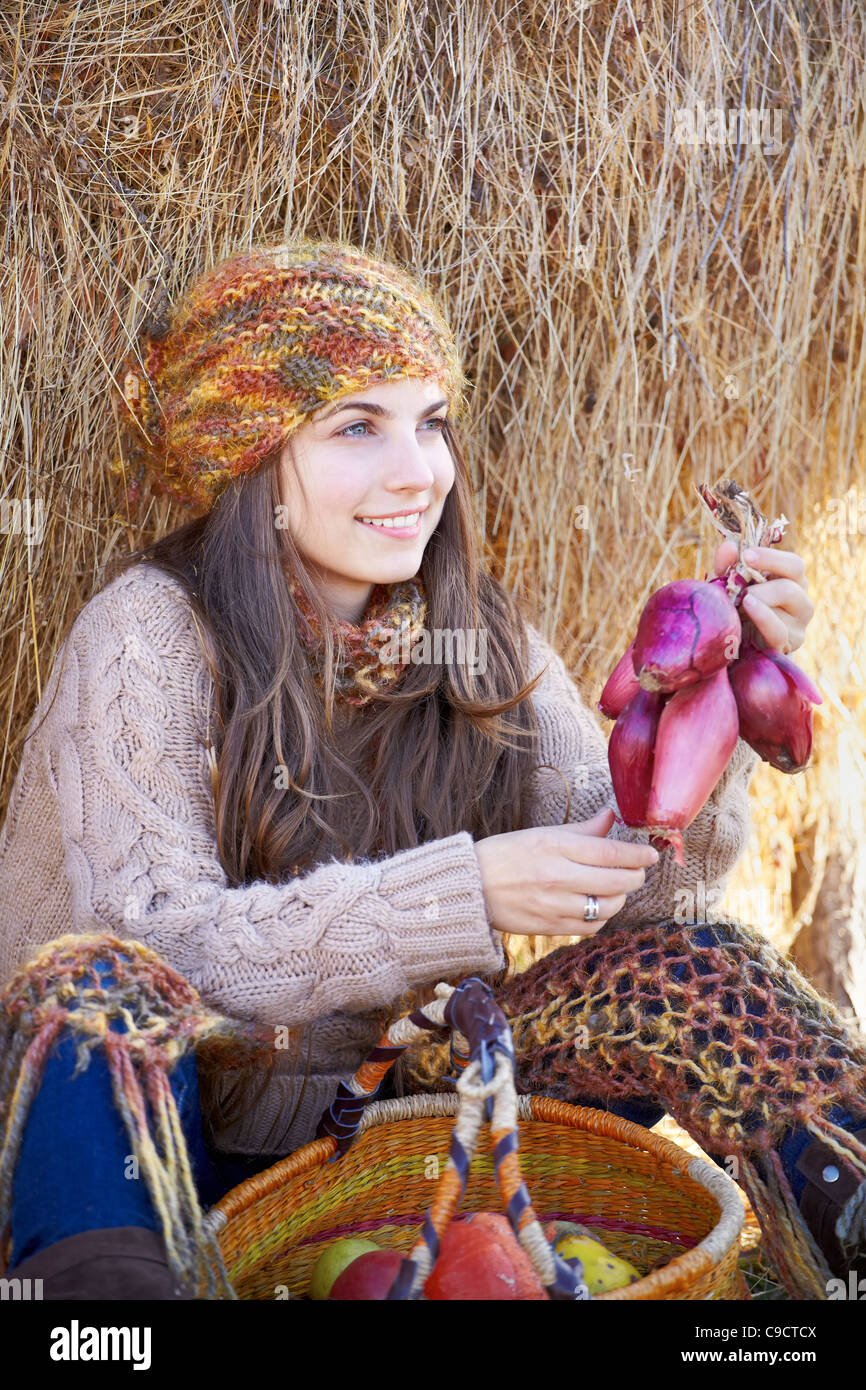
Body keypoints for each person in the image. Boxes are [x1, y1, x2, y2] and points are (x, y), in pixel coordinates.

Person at [0, 238, 863, 1301]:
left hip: (386, 1129)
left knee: (693, 964)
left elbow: (657, 895)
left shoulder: (471, 640)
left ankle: (851, 1226)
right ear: (252, 459)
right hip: (161, 1156)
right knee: (96, 987)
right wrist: (465, 892)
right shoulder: (146, 635)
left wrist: (707, 710)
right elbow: (156, 939)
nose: (418, 471)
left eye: (428, 420)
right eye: (357, 426)